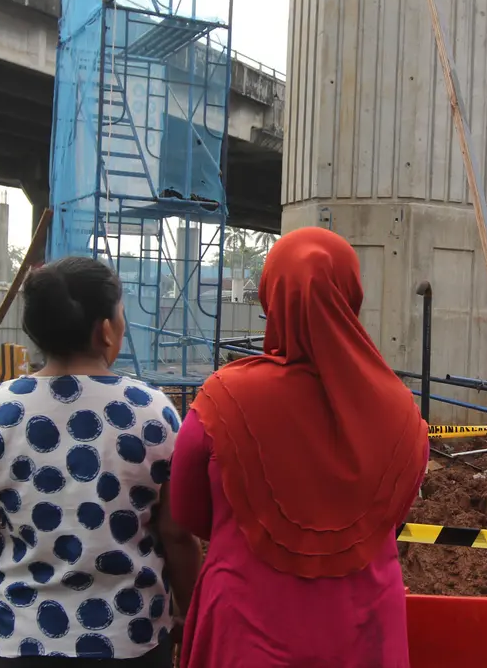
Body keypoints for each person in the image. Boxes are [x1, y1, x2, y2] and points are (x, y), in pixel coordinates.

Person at [165, 227, 429, 668]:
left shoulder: (224, 397)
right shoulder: (400, 409)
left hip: (245, 628)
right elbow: (393, 514)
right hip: (365, 635)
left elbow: (188, 512)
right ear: (352, 295)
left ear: (271, 296)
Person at [0, 256, 200, 668]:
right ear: (106, 330)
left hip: (20, 637)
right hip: (131, 638)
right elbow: (177, 533)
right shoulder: (154, 412)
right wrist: (186, 612)